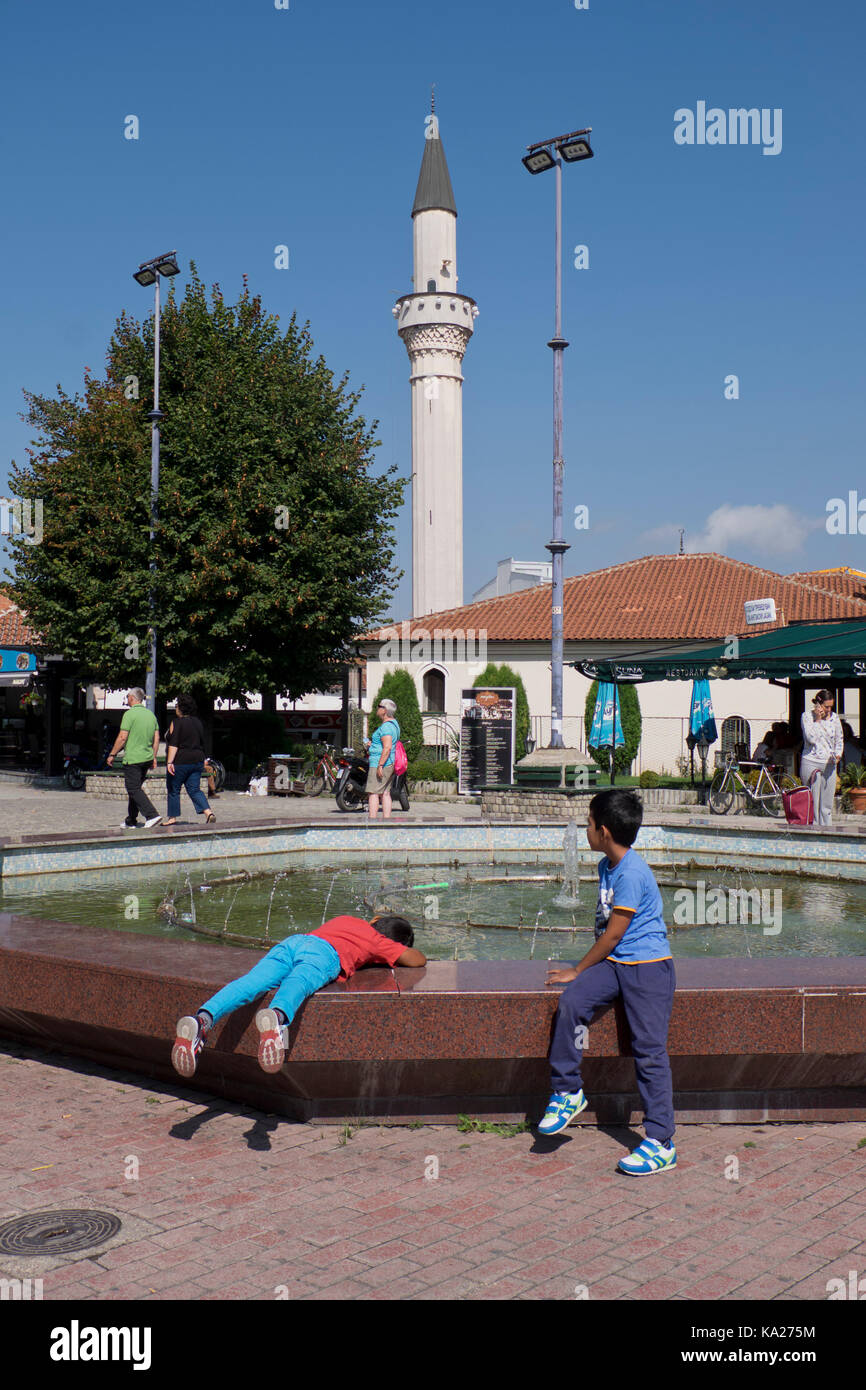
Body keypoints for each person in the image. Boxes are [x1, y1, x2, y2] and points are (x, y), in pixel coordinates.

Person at [539, 788, 677, 1176]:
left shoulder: (632, 873)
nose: (584, 829)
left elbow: (614, 934)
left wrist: (578, 968)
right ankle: (568, 1091)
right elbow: (610, 938)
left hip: (648, 968)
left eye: (587, 822)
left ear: (603, 831)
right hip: (617, 964)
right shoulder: (607, 866)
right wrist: (581, 978)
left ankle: (661, 1141)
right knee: (572, 1003)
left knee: (648, 1051)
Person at [171, 914, 426, 1076]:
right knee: (300, 981)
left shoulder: (347, 919)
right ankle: (278, 1017)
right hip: (326, 954)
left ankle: (202, 1019)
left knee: (250, 983)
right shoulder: (377, 941)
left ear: (375, 919)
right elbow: (416, 960)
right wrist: (395, 950)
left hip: (294, 942)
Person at [106, 688, 162, 830]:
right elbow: (157, 738)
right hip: (147, 758)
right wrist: (154, 756)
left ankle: (152, 815)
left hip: (133, 759)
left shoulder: (129, 714)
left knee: (133, 788)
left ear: (132, 698)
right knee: (135, 789)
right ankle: (131, 820)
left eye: (127, 697)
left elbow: (123, 737)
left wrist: (112, 754)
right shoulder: (151, 715)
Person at [163, 694, 215, 826]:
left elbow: (174, 744)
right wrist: (204, 758)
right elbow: (202, 742)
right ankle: (209, 813)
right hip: (197, 760)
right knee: (194, 789)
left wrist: (169, 762)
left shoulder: (176, 722)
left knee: (174, 789)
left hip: (180, 761)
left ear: (180, 708)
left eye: (176, 706)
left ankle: (172, 818)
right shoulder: (198, 722)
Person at [801, 690, 843, 827]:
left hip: (829, 762)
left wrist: (838, 754)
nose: (829, 710)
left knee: (827, 801)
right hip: (811, 761)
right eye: (826, 706)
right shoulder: (807, 717)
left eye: (831, 707)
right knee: (813, 799)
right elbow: (811, 738)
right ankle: (813, 828)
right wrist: (818, 720)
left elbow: (839, 738)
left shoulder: (834, 718)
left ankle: (827, 829)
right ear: (818, 704)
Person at [367, 697, 400, 820]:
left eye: (379, 706)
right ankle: (386, 820)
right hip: (390, 762)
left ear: (385, 710)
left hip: (380, 763)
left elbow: (387, 747)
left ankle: (372, 821)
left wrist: (380, 765)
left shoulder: (386, 727)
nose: (377, 708)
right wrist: (373, 744)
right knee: (385, 793)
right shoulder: (394, 725)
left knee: (373, 793)